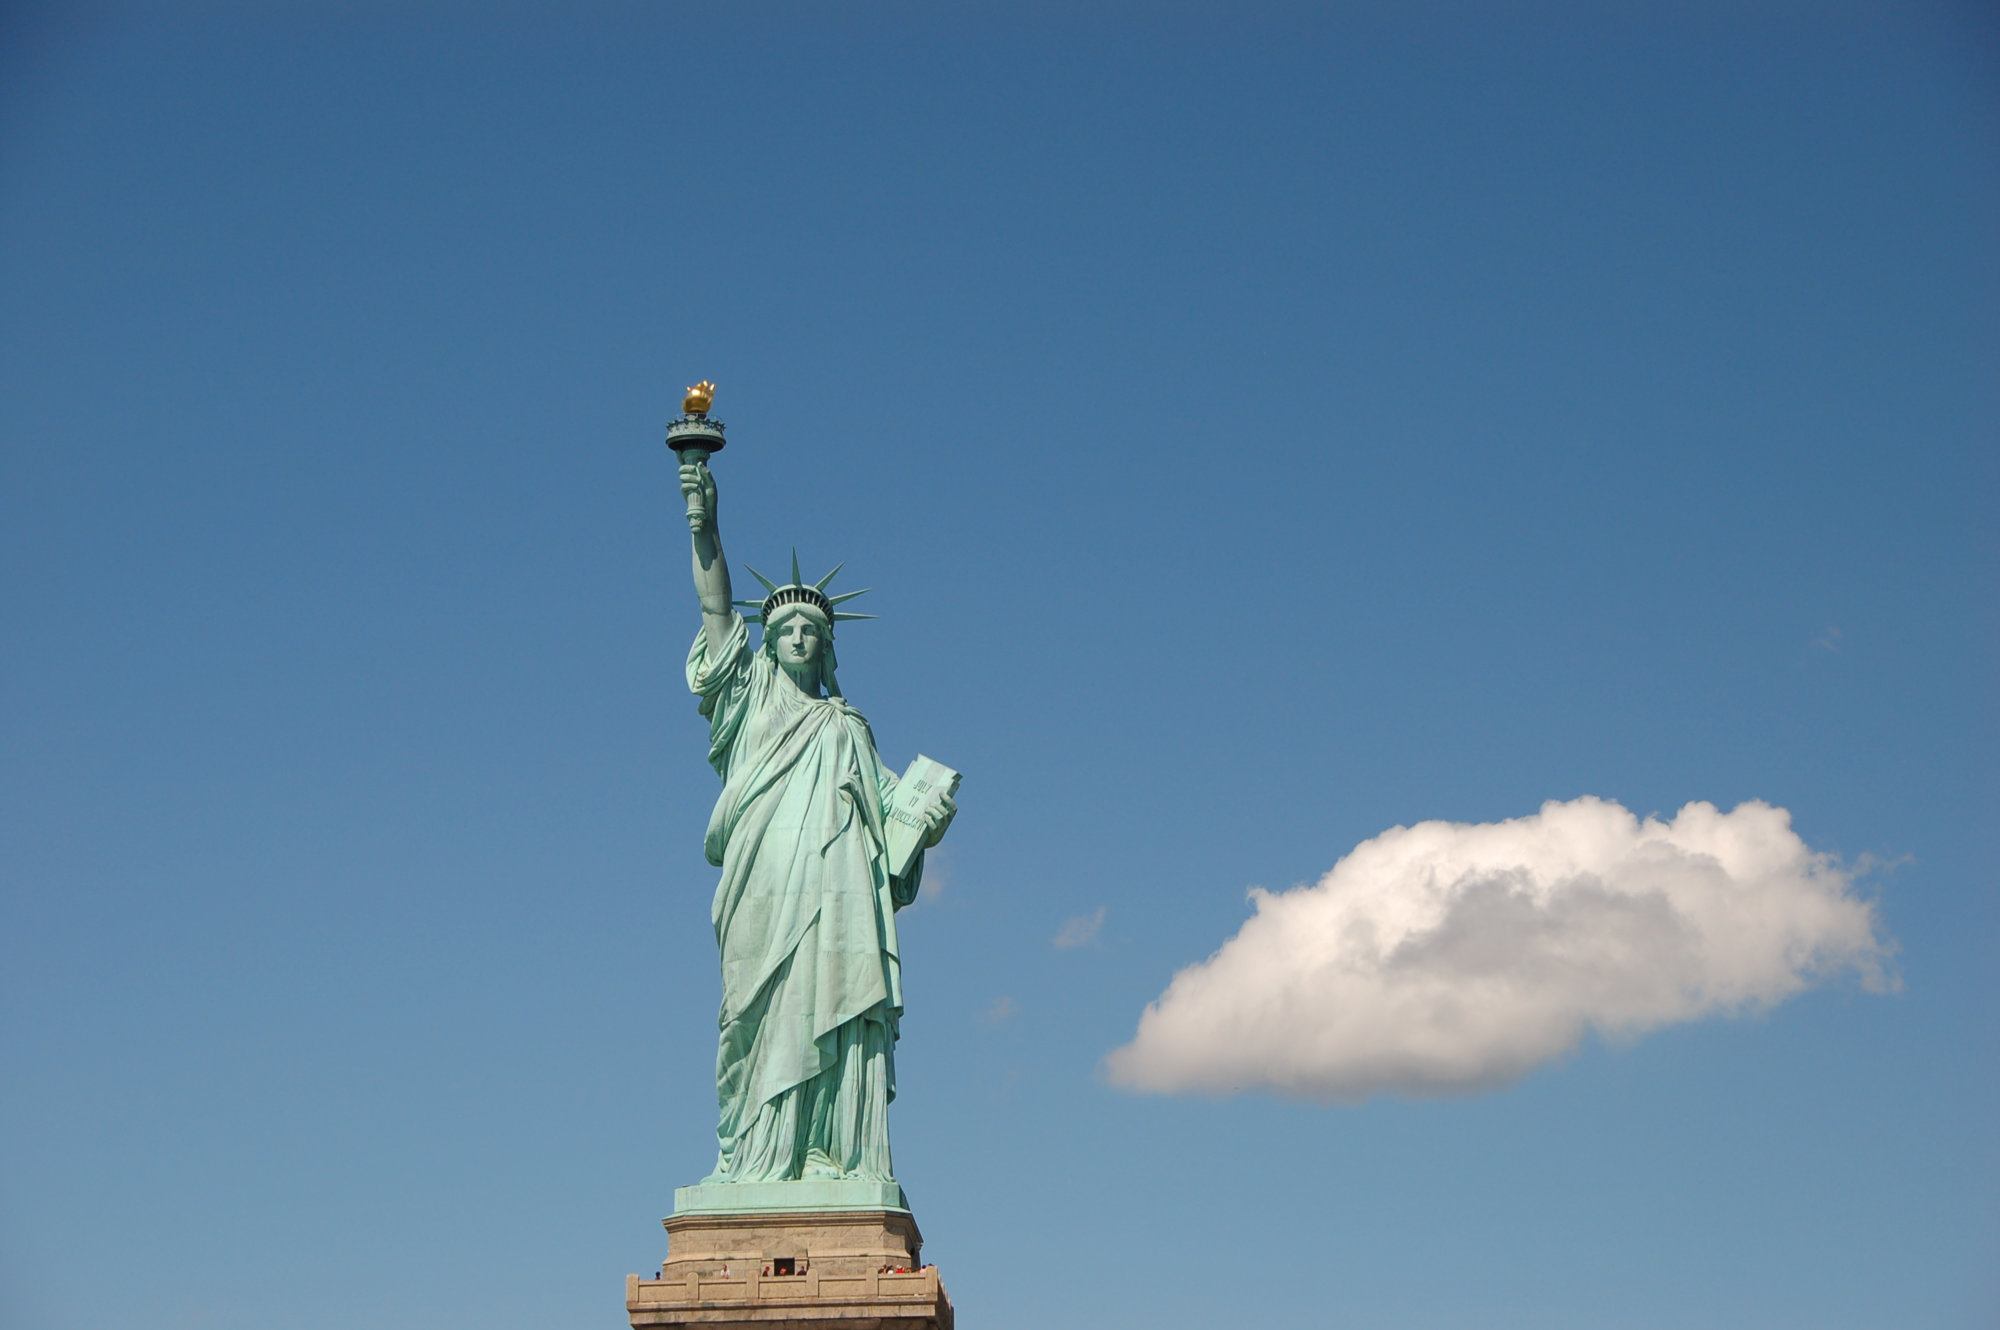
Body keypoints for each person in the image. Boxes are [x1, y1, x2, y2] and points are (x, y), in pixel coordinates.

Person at [678, 458, 954, 1184]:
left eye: (811, 630)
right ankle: (756, 1159)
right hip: (764, 879)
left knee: (828, 1003)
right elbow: (715, 611)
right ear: (765, 644)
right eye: (786, 628)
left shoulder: (847, 726)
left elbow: (892, 812)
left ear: (827, 648)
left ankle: (828, 1152)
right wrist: (703, 524)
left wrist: (927, 814)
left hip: (836, 895)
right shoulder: (750, 700)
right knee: (760, 1011)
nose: (799, 637)